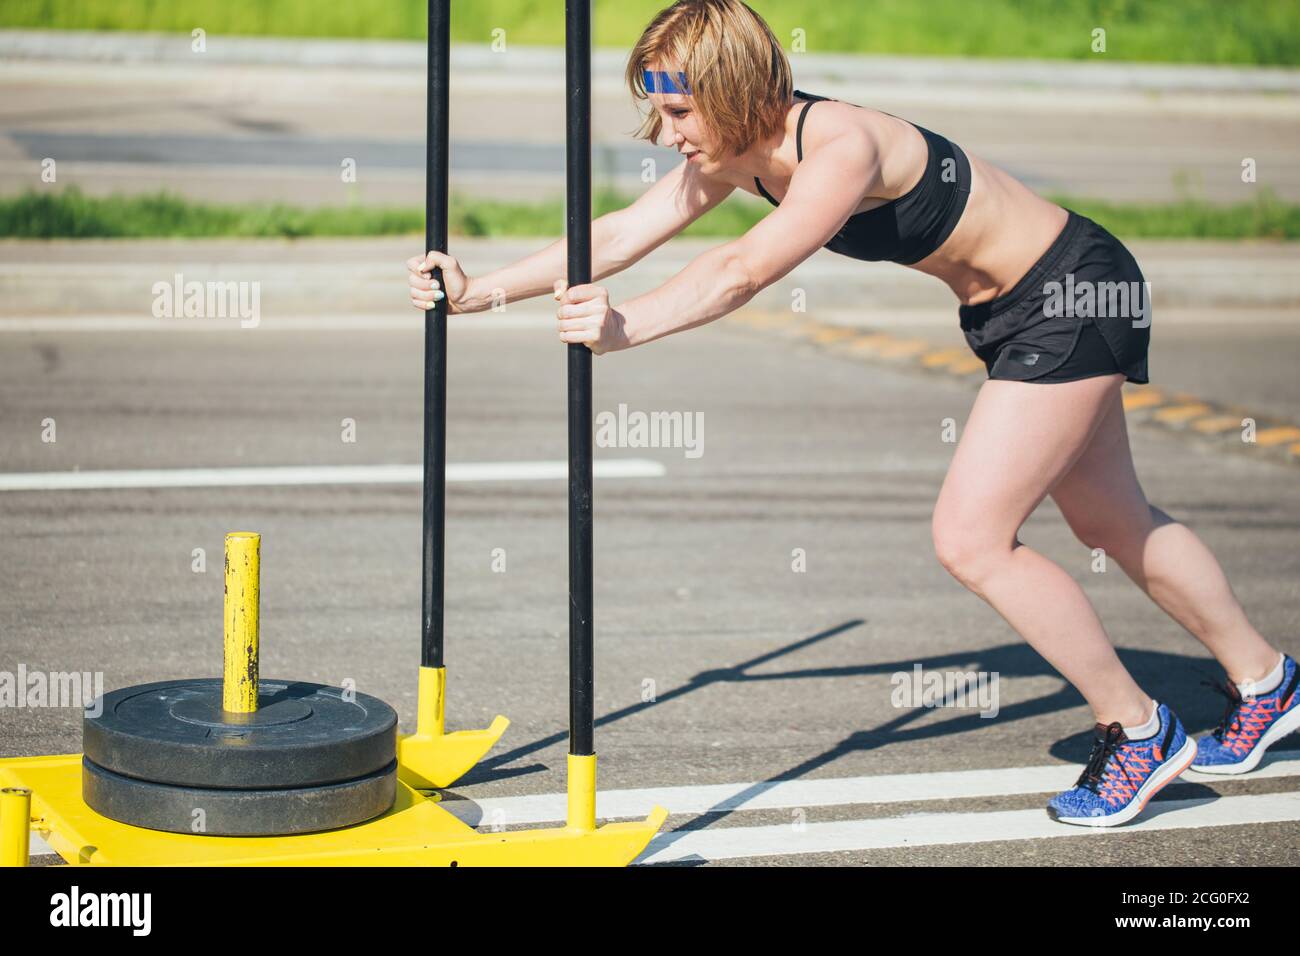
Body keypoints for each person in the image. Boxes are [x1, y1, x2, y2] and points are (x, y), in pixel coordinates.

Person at [405, 0, 1297, 826]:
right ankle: (1267, 680)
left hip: (1072, 293)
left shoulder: (840, 146)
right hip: (1016, 308)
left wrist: (625, 326)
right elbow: (619, 233)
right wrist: (480, 291)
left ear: (735, 90)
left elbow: (742, 271)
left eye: (678, 113)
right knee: (1111, 519)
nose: (664, 135)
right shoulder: (737, 151)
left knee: (972, 539)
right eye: (658, 112)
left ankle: (1137, 730)